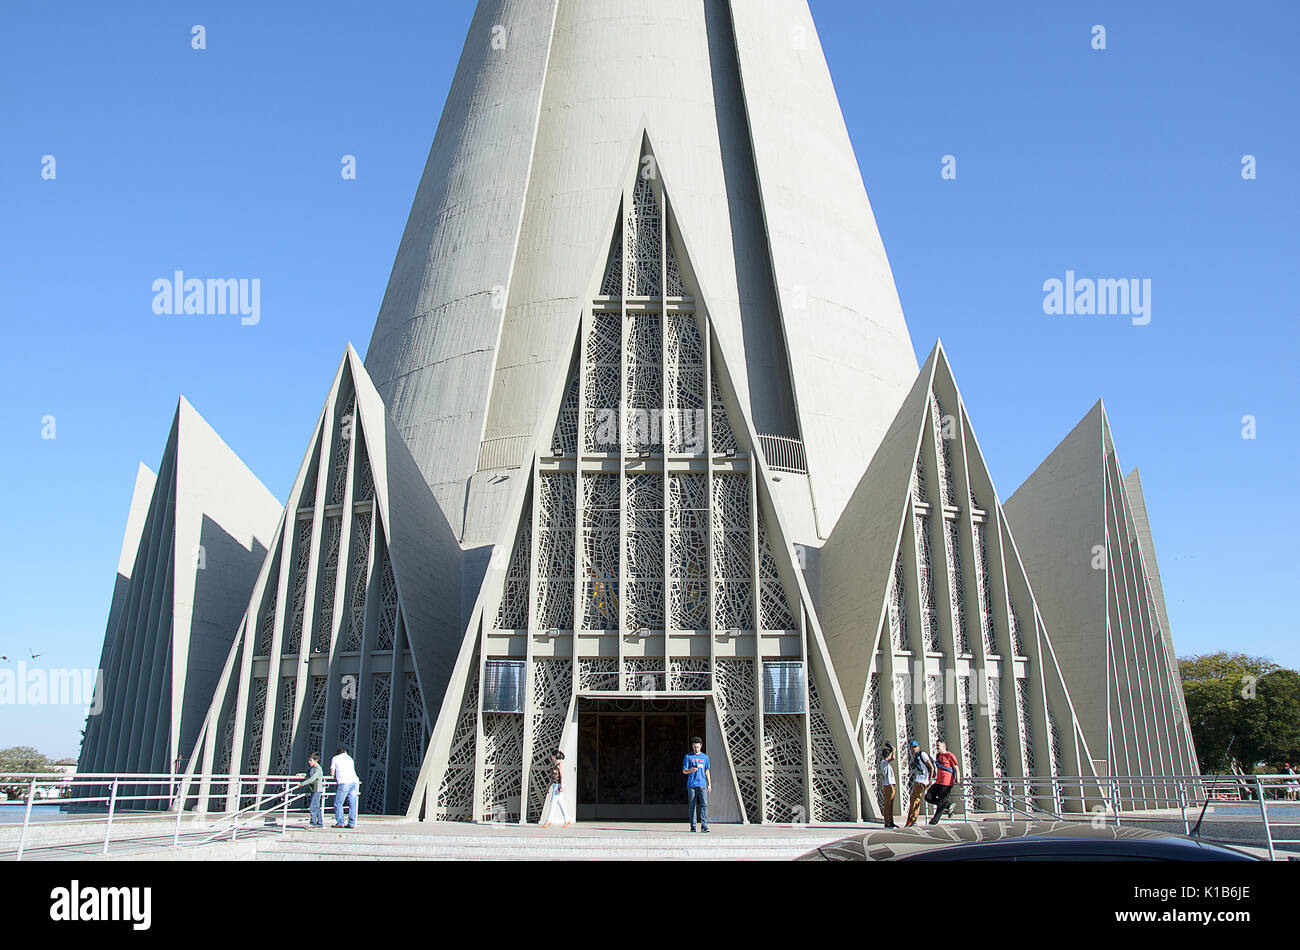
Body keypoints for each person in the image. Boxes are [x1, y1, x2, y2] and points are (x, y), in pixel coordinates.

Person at [926, 739, 961, 825]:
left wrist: (958, 779)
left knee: (942, 801)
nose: (937, 747)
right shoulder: (938, 756)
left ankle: (934, 822)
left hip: (947, 783)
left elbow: (956, 768)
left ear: (944, 746)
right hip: (938, 781)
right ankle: (948, 805)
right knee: (928, 797)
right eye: (936, 745)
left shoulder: (950, 755)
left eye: (938, 745)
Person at [682, 737, 711, 832]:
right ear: (692, 746)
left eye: (698, 747)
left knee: (704, 804)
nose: (696, 749)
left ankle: (704, 825)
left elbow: (707, 771)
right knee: (692, 805)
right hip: (691, 784)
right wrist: (691, 770)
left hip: (702, 784)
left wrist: (709, 784)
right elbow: (684, 771)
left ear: (701, 746)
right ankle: (693, 826)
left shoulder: (705, 757)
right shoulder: (688, 757)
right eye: (695, 747)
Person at [906, 738, 935, 827]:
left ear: (918, 747)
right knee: (915, 799)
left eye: (915, 747)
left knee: (914, 800)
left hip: (922, 780)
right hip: (918, 780)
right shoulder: (916, 756)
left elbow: (931, 767)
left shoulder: (922, 754)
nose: (914, 749)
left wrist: (929, 780)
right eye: (912, 747)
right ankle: (913, 821)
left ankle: (911, 821)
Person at [330, 746, 360, 829]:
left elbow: (332, 773)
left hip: (344, 782)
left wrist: (337, 777)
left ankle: (340, 822)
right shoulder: (350, 758)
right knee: (352, 803)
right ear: (345, 752)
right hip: (355, 782)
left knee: (338, 803)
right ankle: (352, 823)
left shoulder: (335, 758)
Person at [540, 750, 570, 828]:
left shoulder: (560, 764)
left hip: (558, 785)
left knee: (553, 803)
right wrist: (548, 787)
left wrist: (562, 785)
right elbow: (552, 778)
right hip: (555, 785)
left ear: (555, 756)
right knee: (561, 804)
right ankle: (567, 820)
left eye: (552, 756)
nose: (551, 757)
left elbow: (562, 775)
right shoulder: (554, 765)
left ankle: (548, 821)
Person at [296, 753, 325, 828]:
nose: (309, 762)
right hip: (313, 788)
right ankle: (320, 822)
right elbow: (309, 775)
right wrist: (302, 775)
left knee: (313, 806)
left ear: (316, 760)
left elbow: (313, 779)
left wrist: (302, 784)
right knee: (317, 806)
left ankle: (314, 822)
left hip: (317, 789)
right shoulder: (313, 768)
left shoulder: (318, 768)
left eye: (310, 760)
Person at [879, 743, 897, 828]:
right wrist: (894, 750)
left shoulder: (887, 764)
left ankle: (891, 821)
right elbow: (893, 758)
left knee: (891, 805)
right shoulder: (884, 763)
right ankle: (887, 822)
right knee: (887, 804)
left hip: (891, 785)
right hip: (888, 785)